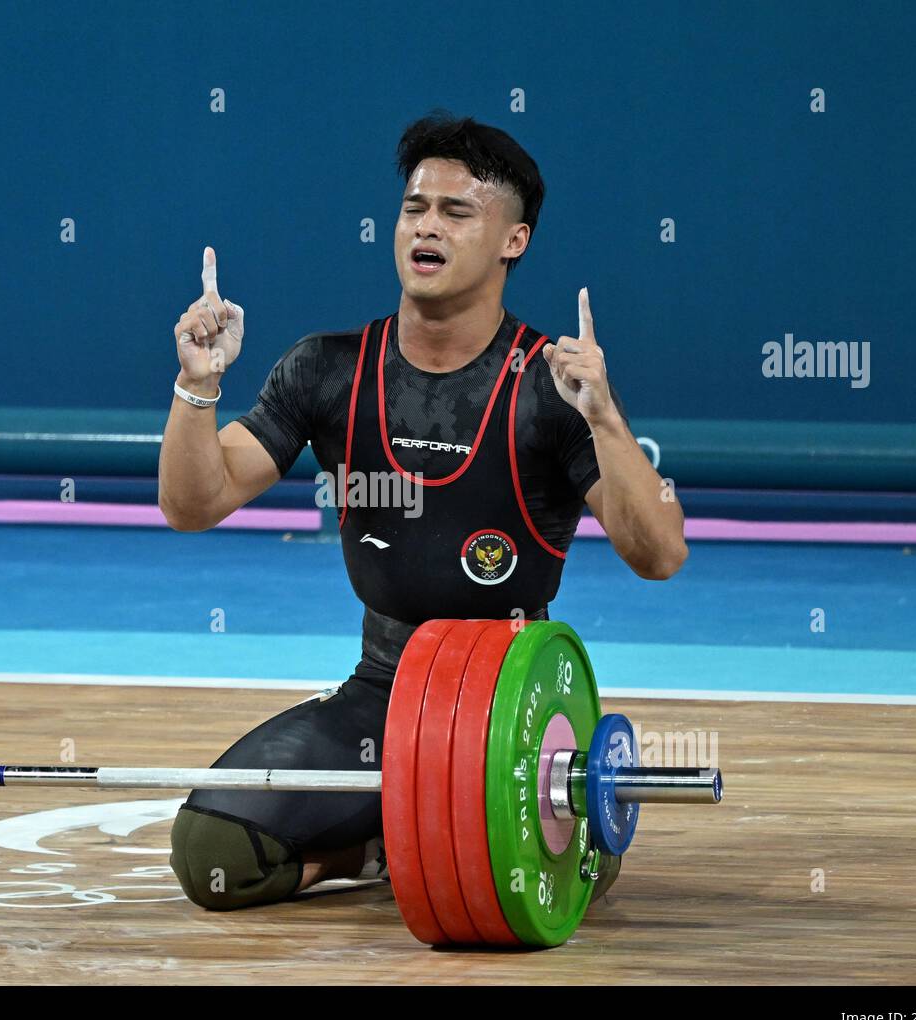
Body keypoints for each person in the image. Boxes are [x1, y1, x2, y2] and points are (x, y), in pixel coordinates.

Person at [159, 111, 687, 912]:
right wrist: (197, 386)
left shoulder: (550, 385)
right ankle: (378, 851)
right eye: (414, 208)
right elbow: (193, 505)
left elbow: (660, 554)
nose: (426, 227)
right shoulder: (326, 369)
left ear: (514, 240)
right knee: (214, 855)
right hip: (383, 693)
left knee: (526, 866)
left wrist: (607, 420)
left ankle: (435, 830)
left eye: (456, 211)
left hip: (509, 707)